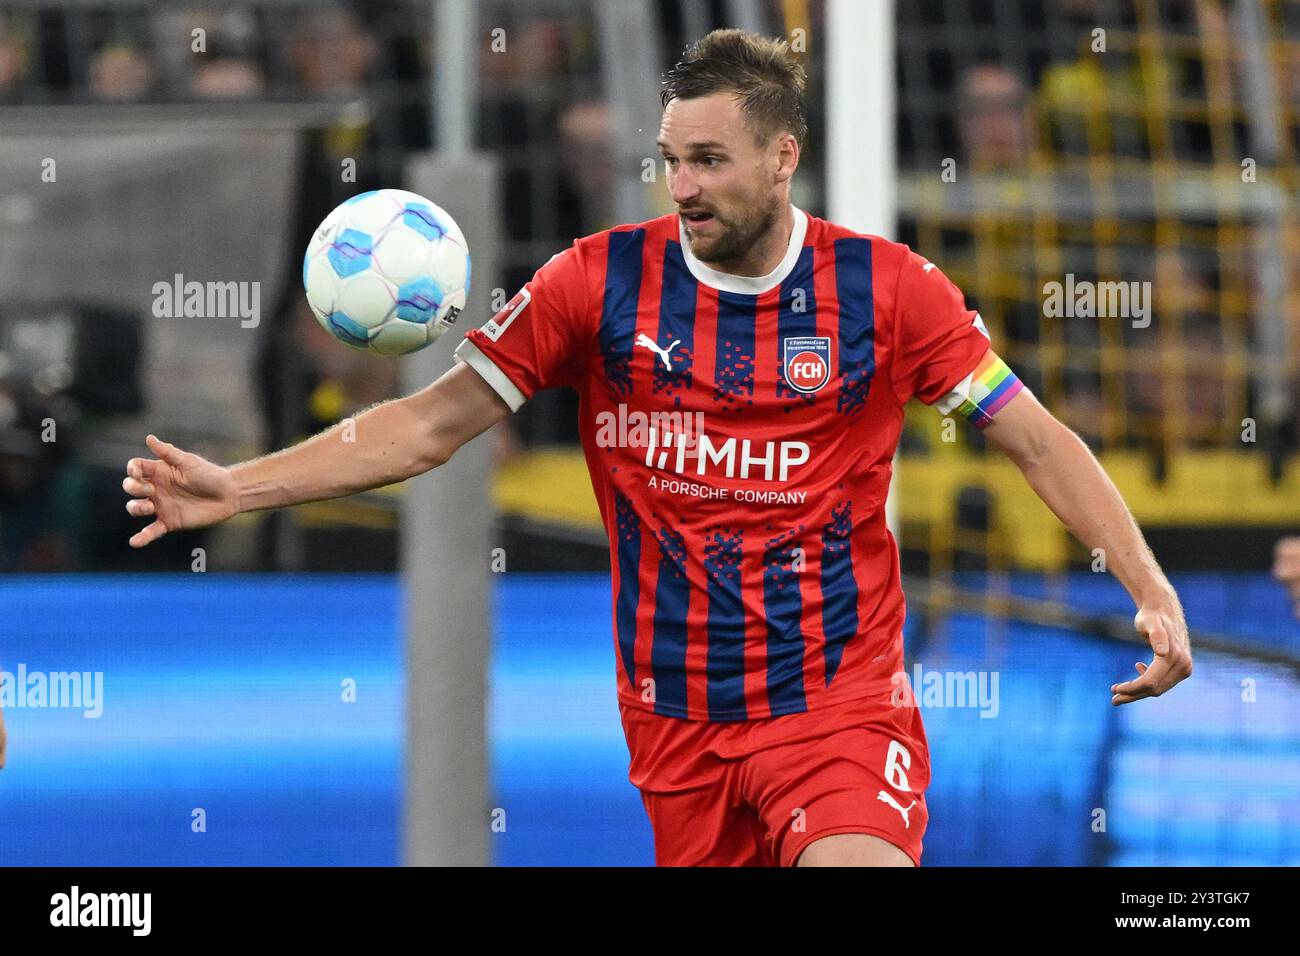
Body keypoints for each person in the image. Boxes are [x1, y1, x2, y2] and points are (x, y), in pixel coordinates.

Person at [121, 30, 1193, 867]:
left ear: (783, 158)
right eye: (671, 159)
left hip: (837, 704)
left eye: (709, 161)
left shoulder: (888, 289)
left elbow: (1036, 438)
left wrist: (1147, 586)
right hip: (674, 721)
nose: (681, 186)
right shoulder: (595, 282)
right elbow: (424, 426)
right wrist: (239, 486)